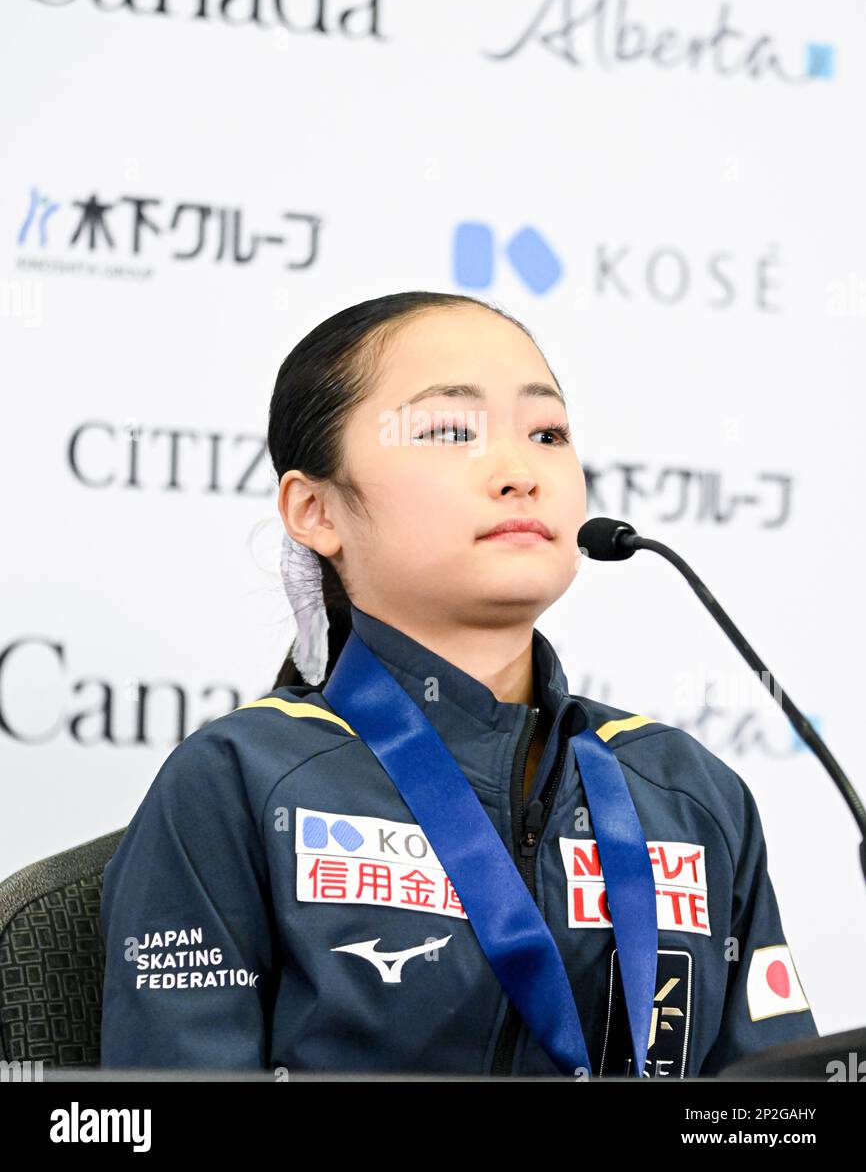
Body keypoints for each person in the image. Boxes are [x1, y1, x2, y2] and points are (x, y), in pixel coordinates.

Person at [100, 289, 818, 1077]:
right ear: (315, 510)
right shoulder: (240, 779)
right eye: (448, 430)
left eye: (547, 433)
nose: (519, 472)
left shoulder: (688, 791)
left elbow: (775, 1118)